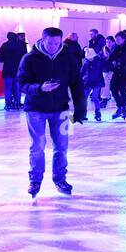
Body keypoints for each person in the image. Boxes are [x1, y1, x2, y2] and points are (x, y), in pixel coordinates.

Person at [17, 26, 87, 197]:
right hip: (35, 109)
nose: (54, 46)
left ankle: (60, 179)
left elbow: (76, 83)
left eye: (57, 43)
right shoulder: (29, 58)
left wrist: (80, 108)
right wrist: (40, 88)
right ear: (42, 40)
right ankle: (35, 180)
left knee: (62, 146)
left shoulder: (68, 57)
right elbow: (21, 84)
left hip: (61, 108)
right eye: (51, 43)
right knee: (38, 146)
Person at [0, 31, 28, 110]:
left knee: (8, 88)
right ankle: (18, 104)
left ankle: (8, 104)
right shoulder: (20, 45)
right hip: (18, 70)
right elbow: (24, 57)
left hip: (7, 69)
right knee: (17, 88)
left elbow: (0, 56)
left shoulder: (5, 45)